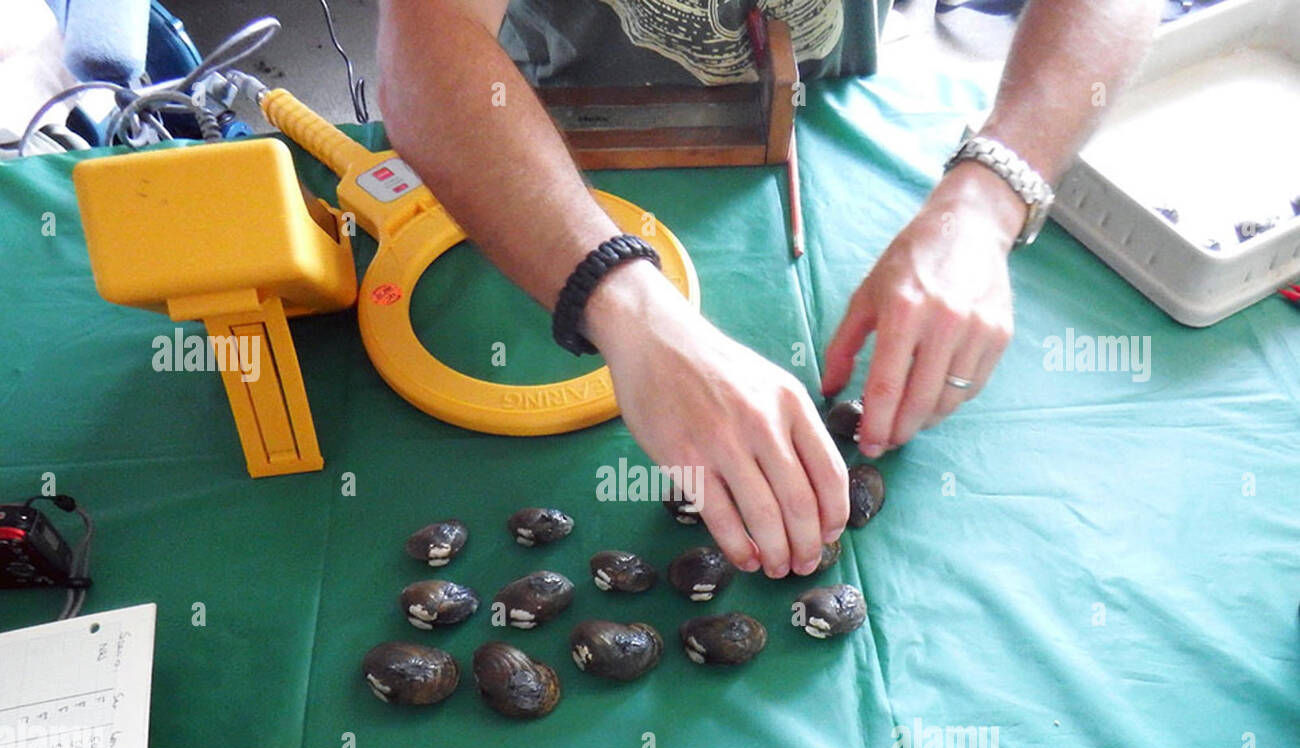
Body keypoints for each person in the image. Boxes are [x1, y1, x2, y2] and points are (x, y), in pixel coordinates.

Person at [376, 0, 1163, 578]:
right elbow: (424, 42)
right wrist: (620, 298)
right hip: (541, 128)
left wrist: (992, 191)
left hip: (826, 103)